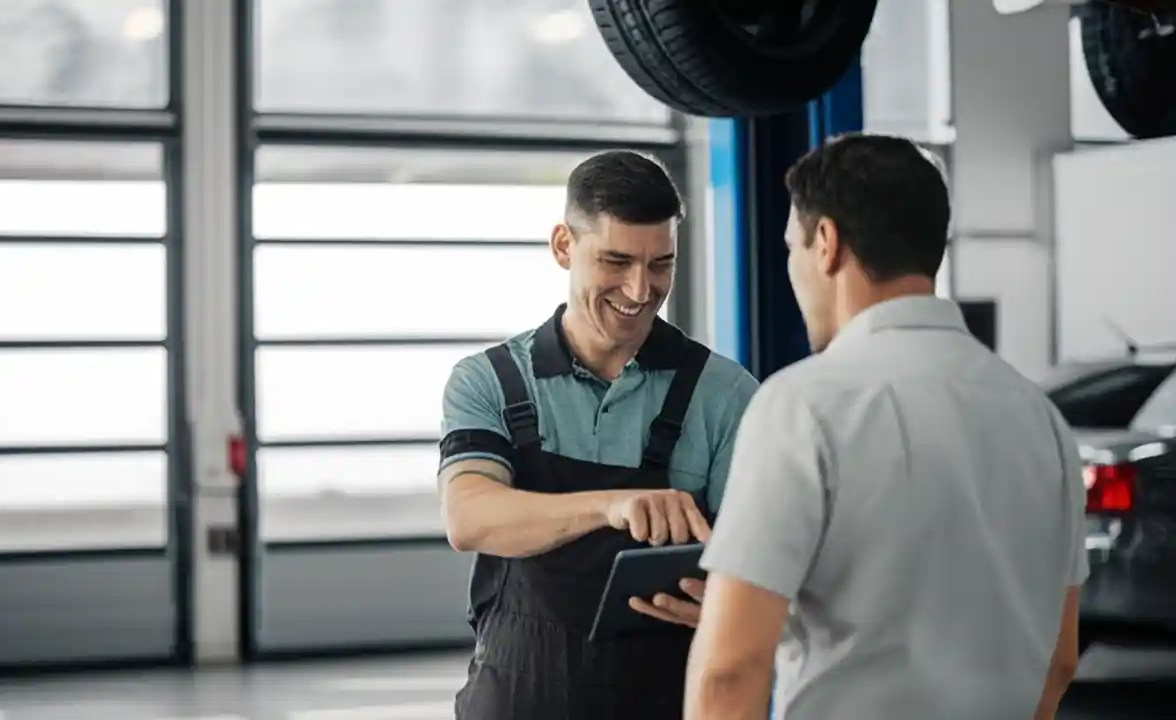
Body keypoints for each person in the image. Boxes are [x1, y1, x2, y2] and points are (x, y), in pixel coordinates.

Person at [686, 134, 1088, 720]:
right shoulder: (1040, 417)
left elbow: (728, 673)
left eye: (792, 248)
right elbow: (1061, 658)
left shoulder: (803, 404)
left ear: (826, 244)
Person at [437, 149, 760, 719]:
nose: (639, 290)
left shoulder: (726, 396)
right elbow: (469, 518)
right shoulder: (490, 381)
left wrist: (729, 604)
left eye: (661, 264)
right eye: (617, 261)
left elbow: (760, 567)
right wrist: (612, 506)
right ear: (564, 245)